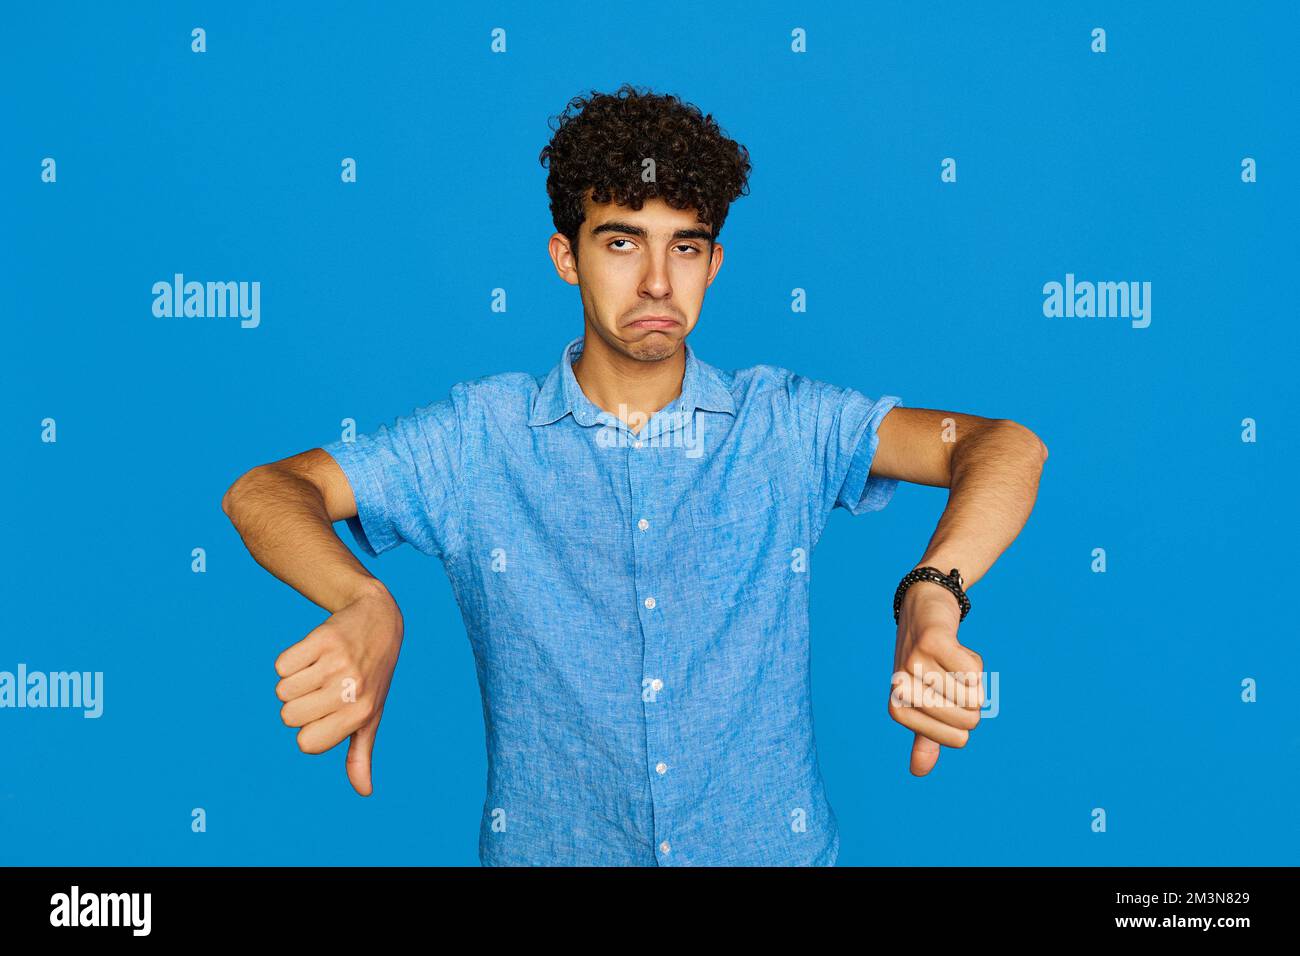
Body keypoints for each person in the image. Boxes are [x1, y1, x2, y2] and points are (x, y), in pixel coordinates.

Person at [221, 83, 1047, 866]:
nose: (657, 281)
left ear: (713, 262)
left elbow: (1005, 447)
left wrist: (934, 592)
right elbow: (266, 490)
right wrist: (363, 598)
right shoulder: (479, 439)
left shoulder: (786, 423)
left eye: (683, 247)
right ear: (566, 257)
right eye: (621, 242)